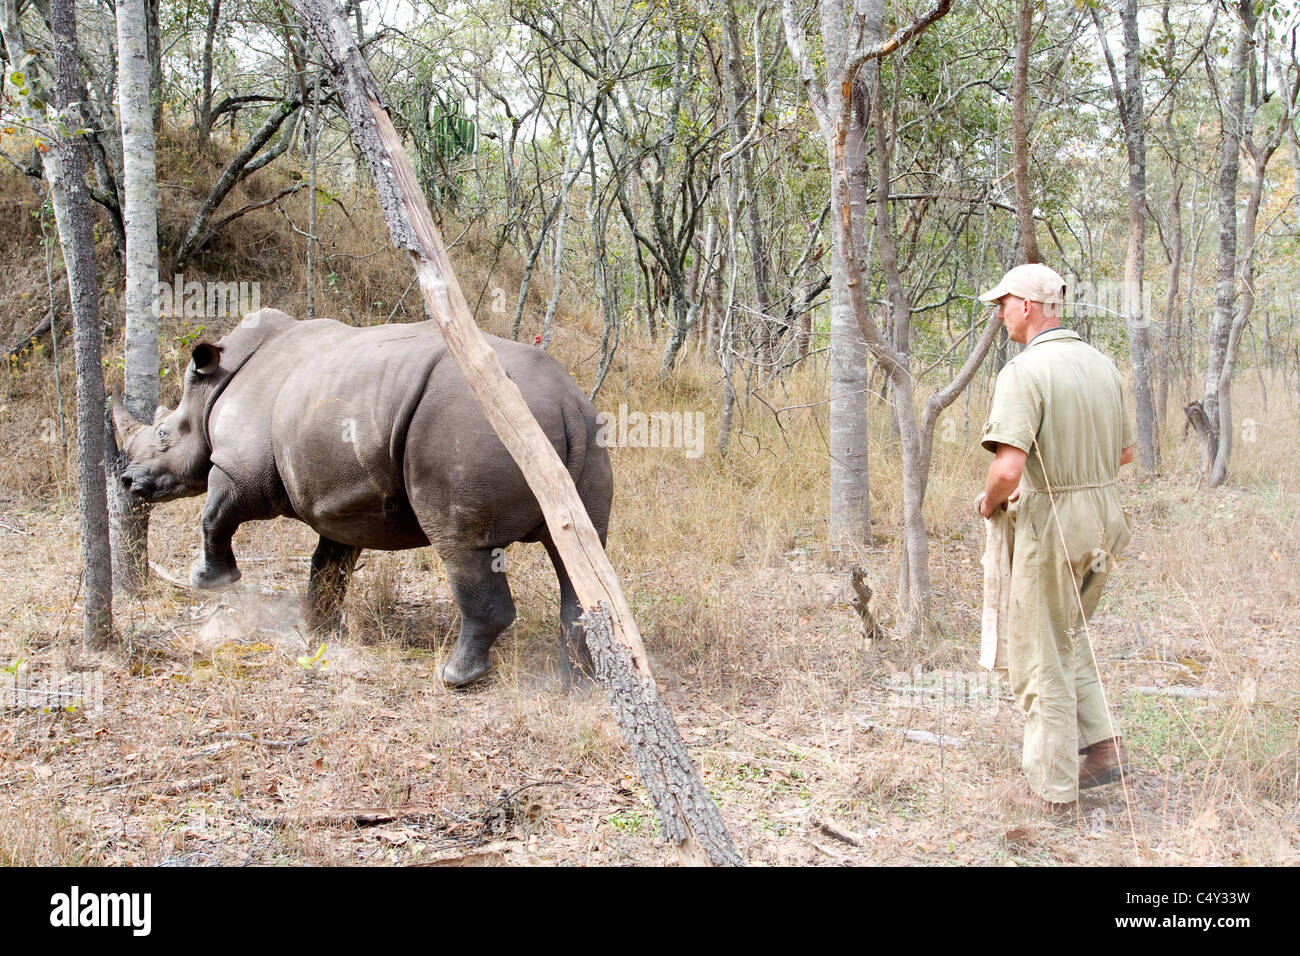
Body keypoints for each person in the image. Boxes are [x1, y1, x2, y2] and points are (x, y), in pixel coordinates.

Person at [976, 263, 1135, 814]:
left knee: (1041, 648)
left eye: (1003, 304)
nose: (999, 314)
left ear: (1027, 305)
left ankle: (1052, 790)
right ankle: (1103, 747)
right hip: (1107, 513)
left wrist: (989, 502)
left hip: (1057, 517)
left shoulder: (1025, 371)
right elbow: (1126, 454)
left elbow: (1008, 469)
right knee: (1070, 634)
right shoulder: (1102, 364)